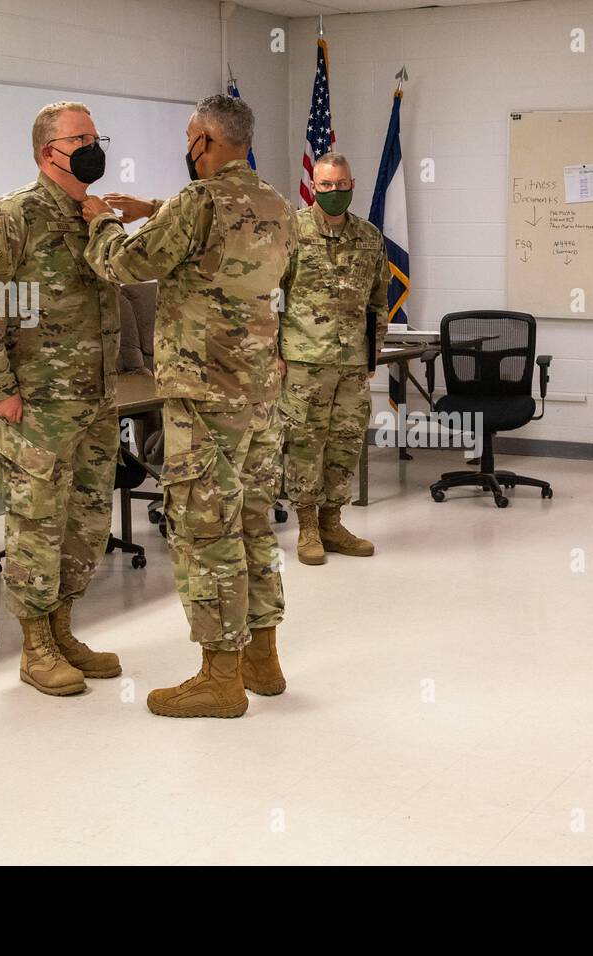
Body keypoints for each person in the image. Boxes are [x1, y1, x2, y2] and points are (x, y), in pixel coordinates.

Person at [81, 94, 296, 719]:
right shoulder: (279, 205)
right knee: (254, 524)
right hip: (259, 396)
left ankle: (219, 677)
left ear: (203, 140)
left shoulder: (198, 204)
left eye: (187, 137)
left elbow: (124, 264)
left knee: (205, 531)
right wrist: (156, 209)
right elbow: (232, 253)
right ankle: (263, 658)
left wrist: (101, 217)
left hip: (203, 398)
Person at [0, 101, 122, 697]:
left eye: (95, 135)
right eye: (79, 137)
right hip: (37, 404)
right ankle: (35, 647)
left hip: (96, 398)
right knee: (36, 521)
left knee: (85, 519)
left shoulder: (93, 215)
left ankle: (64, 628)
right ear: (47, 151)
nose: (92, 145)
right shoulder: (12, 215)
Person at [279, 152, 391, 565]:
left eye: (341, 185)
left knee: (345, 443)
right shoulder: (292, 230)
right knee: (306, 443)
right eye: (326, 185)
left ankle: (332, 522)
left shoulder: (368, 236)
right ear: (314, 185)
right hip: (305, 360)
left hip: (352, 362)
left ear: (352, 185)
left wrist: (373, 349)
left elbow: (379, 299)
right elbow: (272, 295)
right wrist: (276, 353)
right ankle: (307, 526)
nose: (334, 192)